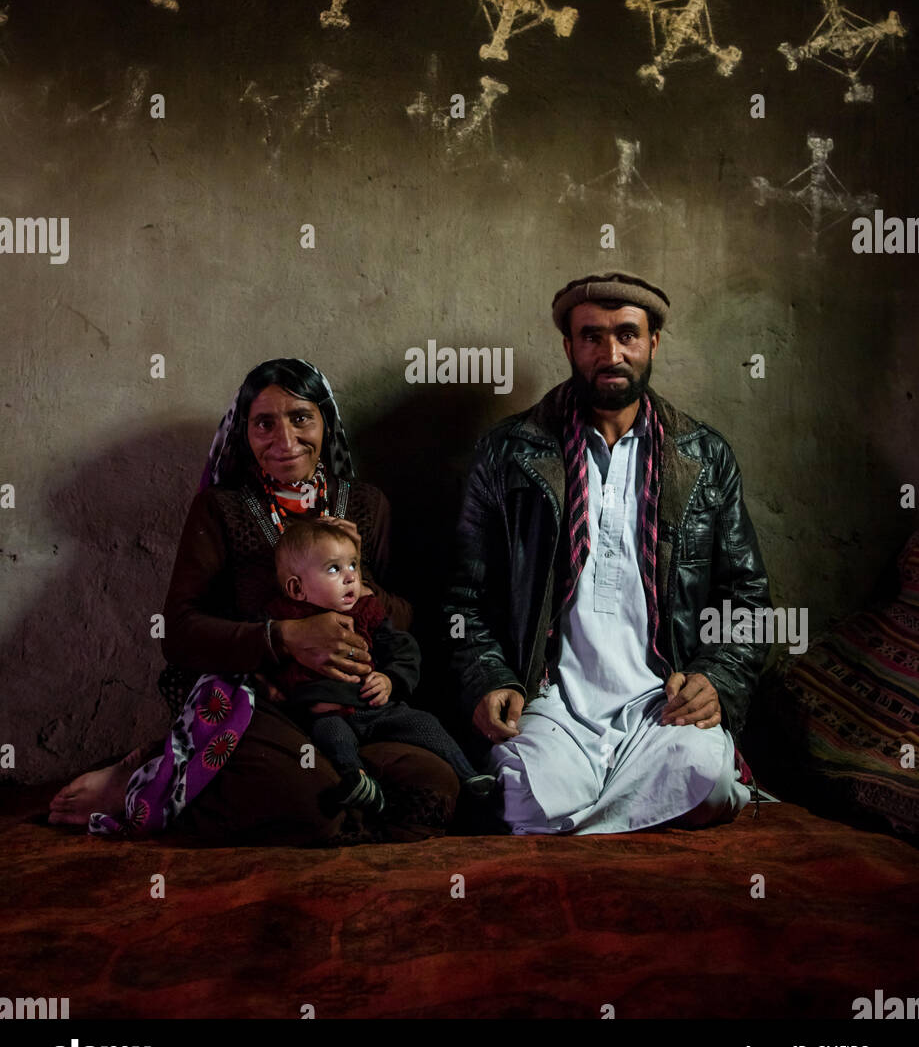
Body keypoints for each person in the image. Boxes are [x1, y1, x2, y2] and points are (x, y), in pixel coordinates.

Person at [48, 358, 459, 844]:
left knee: (435, 789)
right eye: (265, 423)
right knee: (311, 805)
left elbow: (405, 617)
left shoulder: (366, 505)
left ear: (326, 421)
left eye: (301, 418)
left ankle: (320, 776)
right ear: (245, 432)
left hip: (356, 706)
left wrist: (356, 574)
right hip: (262, 700)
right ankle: (149, 780)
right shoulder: (223, 508)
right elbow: (178, 632)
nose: (284, 440)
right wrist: (285, 637)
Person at [446, 271, 773, 835]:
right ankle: (637, 803)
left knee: (704, 779)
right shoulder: (507, 452)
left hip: (660, 703)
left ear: (654, 342)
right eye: (592, 337)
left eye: (627, 334)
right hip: (551, 699)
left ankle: (575, 810)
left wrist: (717, 679)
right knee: (531, 794)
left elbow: (748, 598)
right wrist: (487, 679)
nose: (611, 352)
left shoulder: (704, 457)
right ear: (568, 346)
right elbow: (463, 598)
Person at [265, 517, 496, 813]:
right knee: (332, 738)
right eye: (334, 569)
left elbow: (403, 649)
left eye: (353, 565)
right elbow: (263, 662)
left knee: (424, 723)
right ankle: (359, 783)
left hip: (376, 707)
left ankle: (470, 776)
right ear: (297, 589)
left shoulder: (367, 612)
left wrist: (390, 679)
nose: (350, 577)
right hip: (329, 714)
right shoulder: (285, 621)